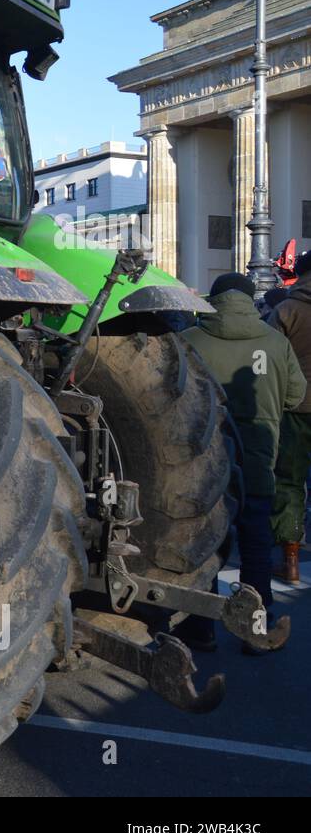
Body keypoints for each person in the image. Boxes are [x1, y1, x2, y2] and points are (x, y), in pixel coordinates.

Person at [183, 273, 305, 650]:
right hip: (257, 458)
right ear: (252, 299)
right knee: (254, 544)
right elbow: (296, 396)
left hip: (203, 462)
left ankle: (198, 630)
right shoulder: (274, 340)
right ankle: (255, 628)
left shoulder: (188, 340)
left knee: (204, 545)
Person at [266, 251, 311, 584]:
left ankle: (291, 562)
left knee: (289, 482)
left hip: (293, 408)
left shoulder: (286, 310)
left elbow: (269, 365)